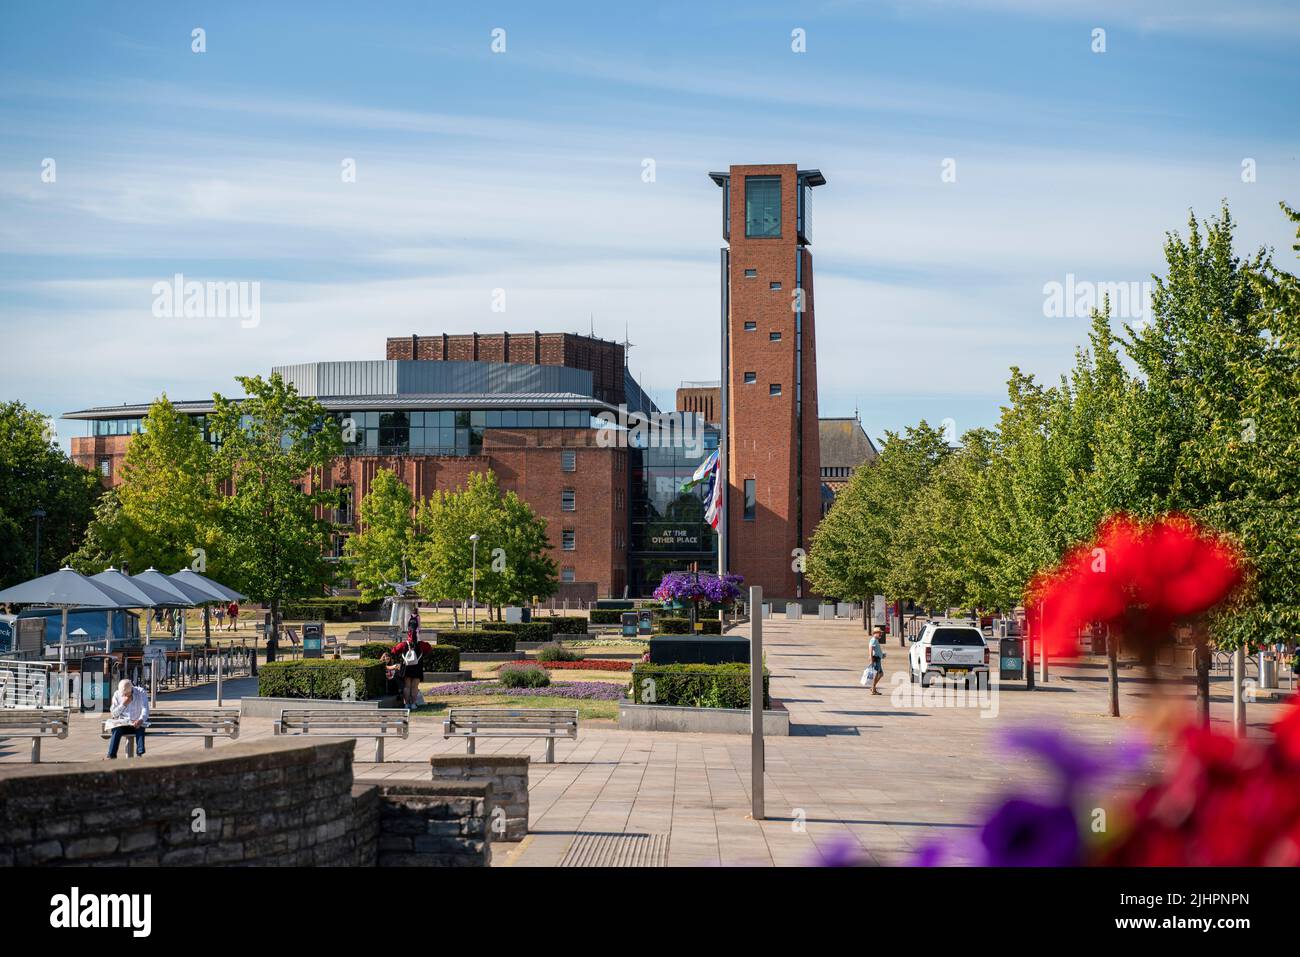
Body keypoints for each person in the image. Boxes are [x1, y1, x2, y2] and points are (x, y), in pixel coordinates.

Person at [105, 678, 149, 759]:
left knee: (140, 728)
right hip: (124, 723)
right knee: (116, 730)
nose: (124, 696)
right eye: (123, 694)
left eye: (127, 694)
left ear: (131, 690)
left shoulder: (141, 692)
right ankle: (111, 755)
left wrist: (140, 720)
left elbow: (145, 708)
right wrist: (124, 704)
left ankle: (139, 754)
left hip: (137, 722)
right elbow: (113, 714)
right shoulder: (117, 694)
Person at [391, 628, 433, 707]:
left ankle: (406, 704)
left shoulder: (404, 644)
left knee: (407, 686)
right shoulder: (421, 644)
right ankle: (413, 704)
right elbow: (429, 648)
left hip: (406, 667)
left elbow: (394, 651)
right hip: (417, 667)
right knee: (415, 687)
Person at [868, 626, 887, 695]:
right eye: (879, 633)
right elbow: (871, 648)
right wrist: (871, 658)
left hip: (878, 658)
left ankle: (873, 687)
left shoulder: (875, 640)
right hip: (875, 659)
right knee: (877, 674)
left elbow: (876, 650)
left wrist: (882, 655)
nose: (881, 635)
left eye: (881, 633)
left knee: (880, 674)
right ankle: (873, 688)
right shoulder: (873, 640)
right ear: (875, 633)